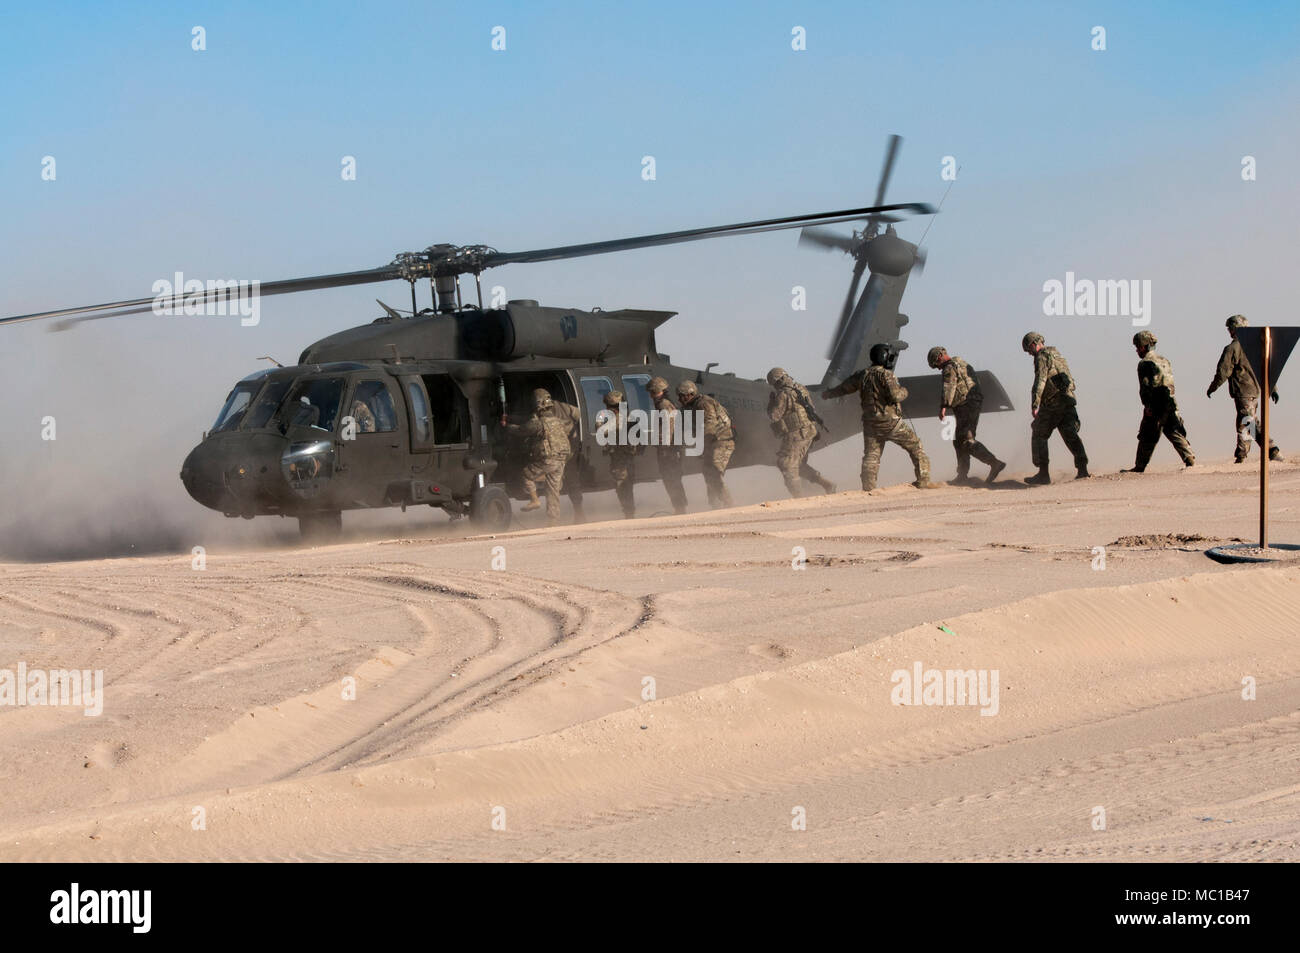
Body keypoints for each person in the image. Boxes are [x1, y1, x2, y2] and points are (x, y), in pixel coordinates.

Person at [822, 343, 935, 491]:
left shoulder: (862, 375)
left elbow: (844, 388)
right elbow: (896, 396)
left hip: (871, 424)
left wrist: (828, 394)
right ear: (884, 357)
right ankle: (924, 481)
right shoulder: (886, 375)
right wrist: (905, 391)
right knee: (916, 447)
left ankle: (868, 488)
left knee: (871, 457)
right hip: (892, 424)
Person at [1206, 314, 1283, 463]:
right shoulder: (1257, 347)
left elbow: (1223, 371)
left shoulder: (1233, 348)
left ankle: (1271, 450)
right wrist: (1273, 389)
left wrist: (1212, 387)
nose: (1229, 331)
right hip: (1254, 391)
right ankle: (1242, 454)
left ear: (1236, 328)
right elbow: (1266, 370)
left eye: (1230, 328)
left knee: (1248, 422)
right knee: (1246, 422)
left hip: (1243, 392)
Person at [926, 346, 1005, 484]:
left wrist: (944, 407)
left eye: (936, 364)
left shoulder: (949, 368)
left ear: (939, 357)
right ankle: (962, 475)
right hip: (972, 403)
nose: (938, 368)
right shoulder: (963, 363)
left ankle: (994, 463)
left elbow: (949, 386)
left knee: (966, 440)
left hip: (965, 405)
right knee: (959, 441)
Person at [1021, 332, 1089, 484]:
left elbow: (1040, 380)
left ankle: (1043, 474)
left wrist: (1035, 404)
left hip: (1053, 403)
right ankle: (1083, 469)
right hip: (1068, 400)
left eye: (1028, 350)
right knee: (1070, 435)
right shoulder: (1057, 355)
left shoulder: (1041, 356)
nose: (1029, 354)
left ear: (1033, 344)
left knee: (1039, 432)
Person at [1122, 330, 1194, 472]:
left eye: (1138, 347)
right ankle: (1190, 458)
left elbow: (1145, 386)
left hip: (1155, 403)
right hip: (1170, 401)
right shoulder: (1164, 360)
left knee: (1147, 435)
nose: (1137, 350)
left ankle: (1139, 466)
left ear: (1145, 346)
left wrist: (1148, 406)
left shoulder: (1144, 363)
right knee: (1173, 431)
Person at [766, 367, 835, 497]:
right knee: (798, 464)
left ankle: (799, 499)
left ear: (777, 381)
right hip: (809, 431)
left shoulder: (783, 394)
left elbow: (774, 416)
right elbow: (811, 408)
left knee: (786, 464)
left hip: (798, 433)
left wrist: (771, 402)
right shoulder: (800, 389)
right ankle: (827, 485)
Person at [505, 388, 571, 525]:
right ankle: (553, 521)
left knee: (525, 475)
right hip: (561, 460)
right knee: (553, 490)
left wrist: (507, 426)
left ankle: (534, 500)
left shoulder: (538, 424)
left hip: (548, 460)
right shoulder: (558, 421)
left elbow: (521, 430)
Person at [677, 380, 735, 507]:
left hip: (722, 441)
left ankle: (728, 504)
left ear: (690, 394)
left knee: (713, 473)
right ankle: (715, 505)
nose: (679, 399)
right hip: (711, 443)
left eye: (681, 395)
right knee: (708, 473)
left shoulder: (704, 403)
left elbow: (710, 425)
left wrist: (699, 445)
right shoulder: (689, 407)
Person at [645, 377, 688, 514]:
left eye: (653, 392)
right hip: (669, 449)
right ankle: (679, 508)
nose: (651, 395)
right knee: (671, 479)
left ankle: (680, 509)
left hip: (669, 451)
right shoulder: (663, 404)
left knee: (672, 479)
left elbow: (668, 429)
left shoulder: (664, 405)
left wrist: (664, 447)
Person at [601, 390, 638, 518]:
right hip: (626, 460)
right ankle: (629, 513)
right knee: (626, 488)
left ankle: (629, 514)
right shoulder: (629, 418)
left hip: (621, 462)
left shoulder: (617, 421)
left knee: (622, 488)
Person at [551, 395, 587, 521]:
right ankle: (579, 512)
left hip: (561, 452)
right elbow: (579, 415)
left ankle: (555, 518)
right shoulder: (565, 407)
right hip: (569, 449)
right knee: (572, 481)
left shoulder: (543, 412)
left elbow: (531, 423)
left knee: (555, 483)